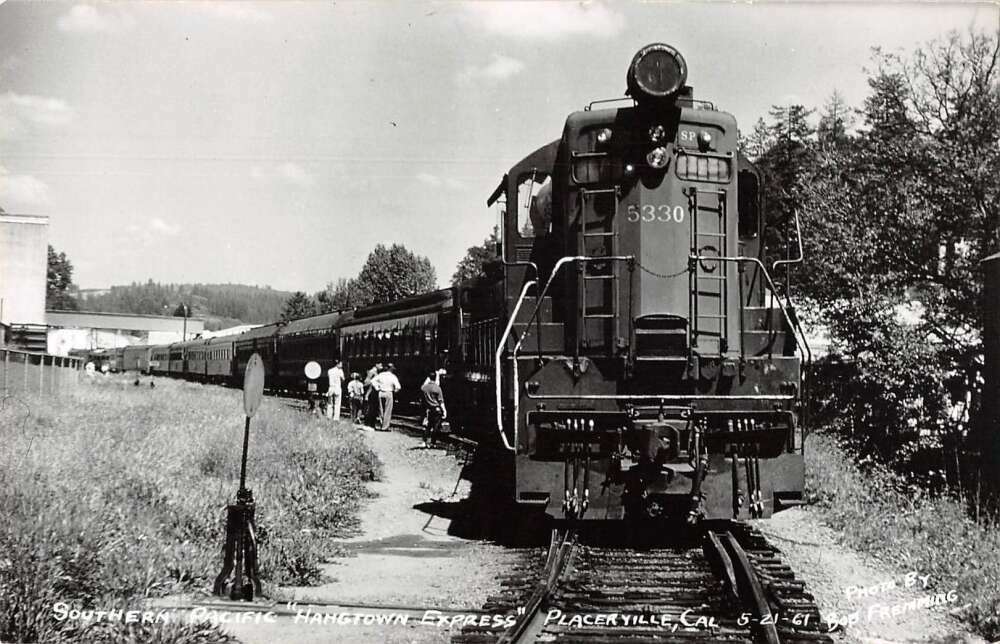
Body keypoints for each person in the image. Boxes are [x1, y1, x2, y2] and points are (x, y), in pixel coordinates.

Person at [420, 368, 447, 448]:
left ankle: (424, 442)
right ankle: (433, 443)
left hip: (429, 410)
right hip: (437, 409)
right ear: (436, 378)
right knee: (436, 427)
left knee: (427, 426)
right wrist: (444, 410)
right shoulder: (437, 388)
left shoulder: (424, 388)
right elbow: (441, 401)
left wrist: (428, 378)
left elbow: (424, 385)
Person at [372, 364, 401, 432]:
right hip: (389, 393)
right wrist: (395, 391)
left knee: (381, 410)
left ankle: (381, 423)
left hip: (381, 392)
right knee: (387, 410)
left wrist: (377, 388)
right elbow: (398, 387)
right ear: (391, 369)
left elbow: (373, 381)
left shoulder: (381, 374)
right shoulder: (393, 376)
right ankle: (385, 427)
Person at [363, 362, 383, 427]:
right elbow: (366, 381)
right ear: (376, 364)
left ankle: (371, 424)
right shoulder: (372, 372)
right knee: (371, 408)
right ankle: (368, 424)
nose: (381, 366)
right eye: (380, 364)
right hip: (371, 392)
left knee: (373, 408)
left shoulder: (376, 372)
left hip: (374, 391)